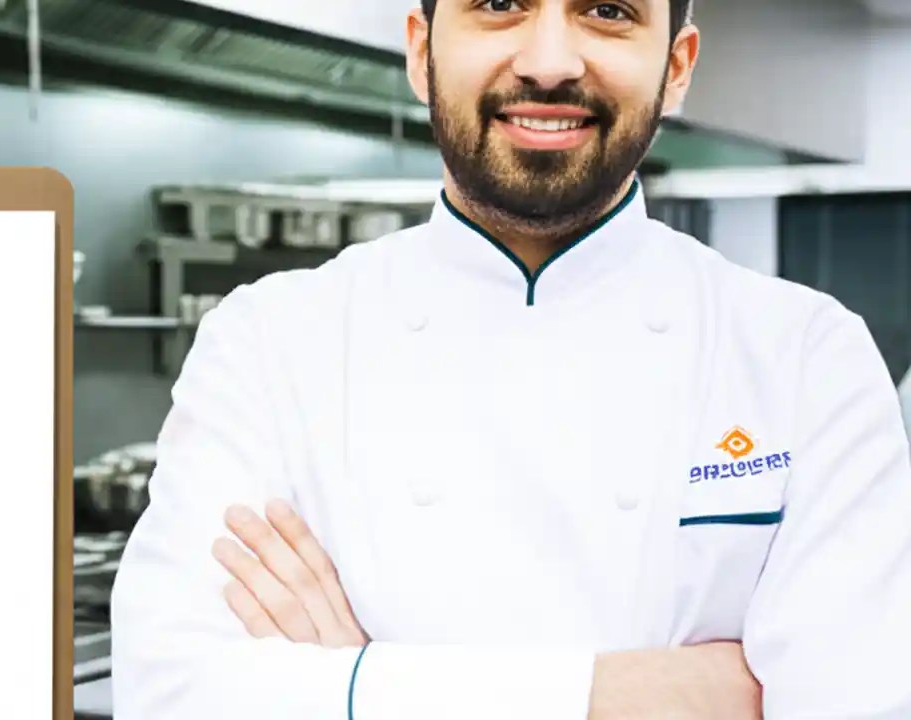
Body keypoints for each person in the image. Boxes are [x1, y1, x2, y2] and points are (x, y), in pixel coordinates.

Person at [110, 0, 911, 717]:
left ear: (676, 68)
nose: (550, 61)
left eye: (607, 10)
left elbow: (854, 703)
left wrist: (352, 683)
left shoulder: (806, 357)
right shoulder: (267, 340)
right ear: (421, 51)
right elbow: (172, 690)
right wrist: (623, 694)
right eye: (499, 3)